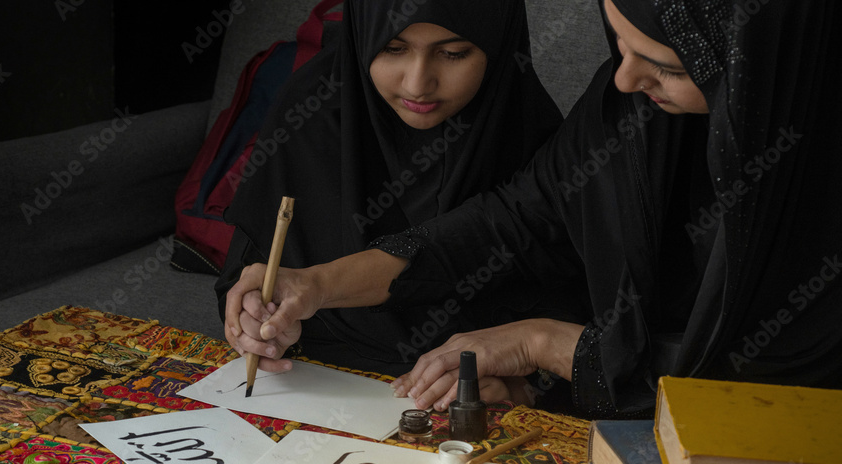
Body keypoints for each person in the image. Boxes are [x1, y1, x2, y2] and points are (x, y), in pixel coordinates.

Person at [225, 0, 842, 418]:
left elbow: (752, 399)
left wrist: (543, 344)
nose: (623, 80)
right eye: (617, 45)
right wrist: (315, 284)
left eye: (662, 65)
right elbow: (506, 220)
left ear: (752, 69)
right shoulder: (632, 112)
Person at [216, 0, 576, 379]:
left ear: (499, 46)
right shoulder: (311, 109)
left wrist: (526, 386)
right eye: (392, 48)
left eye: (453, 53)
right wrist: (255, 322)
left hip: (466, 394)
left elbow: (581, 314)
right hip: (311, 377)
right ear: (363, 38)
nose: (417, 84)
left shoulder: (536, 142)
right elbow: (246, 273)